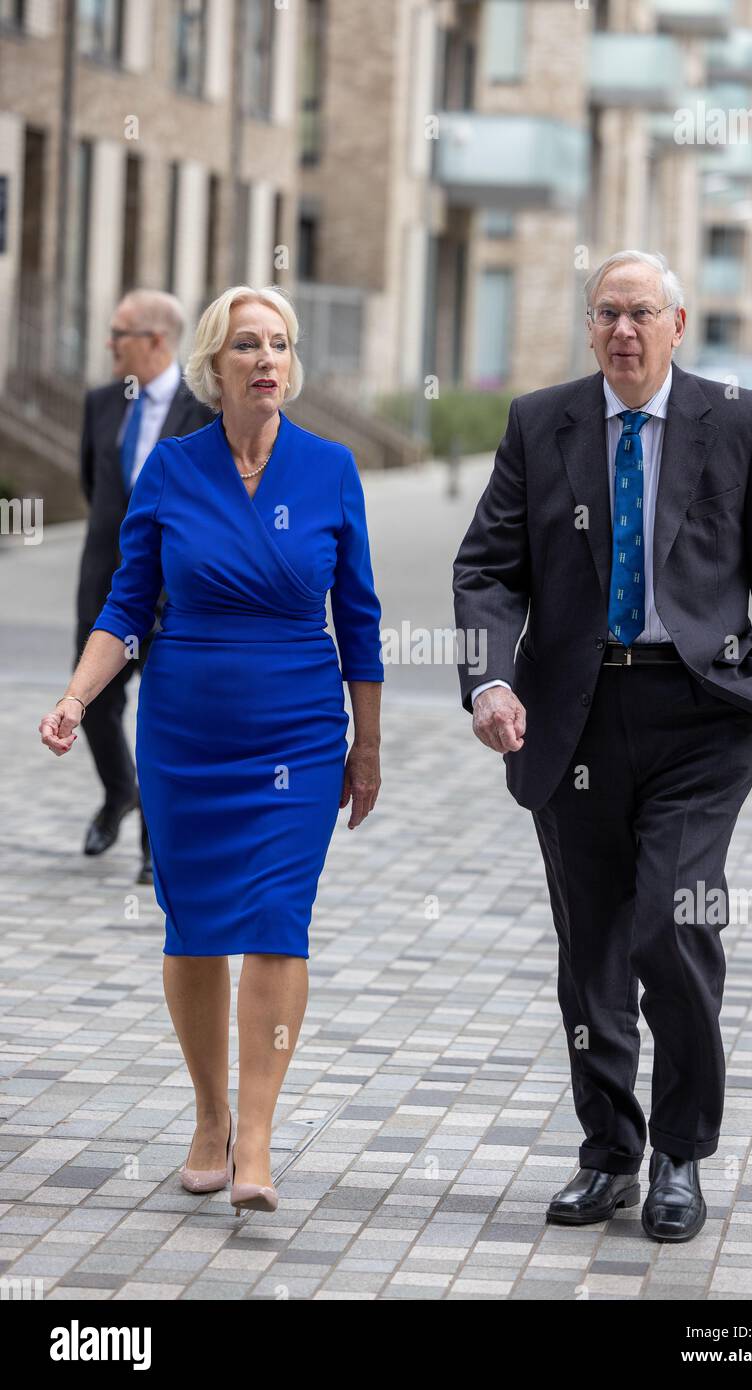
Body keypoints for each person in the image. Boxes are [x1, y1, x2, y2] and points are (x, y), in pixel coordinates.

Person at [453, 249, 752, 1243]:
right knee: (591, 955)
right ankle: (608, 1153)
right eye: (607, 312)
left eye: (641, 313)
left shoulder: (736, 422)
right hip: (568, 716)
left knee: (670, 922)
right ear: (589, 327)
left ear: (676, 323)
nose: (623, 329)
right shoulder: (541, 423)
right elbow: (487, 568)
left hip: (698, 718)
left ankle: (679, 1152)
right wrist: (489, 680)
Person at [39, 284, 384, 1217]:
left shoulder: (331, 469)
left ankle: (259, 1141)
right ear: (212, 364)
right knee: (193, 930)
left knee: (278, 920)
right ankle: (208, 1119)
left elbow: (359, 619)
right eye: (247, 345)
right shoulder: (172, 470)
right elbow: (124, 605)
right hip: (186, 732)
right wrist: (77, 697)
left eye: (279, 343)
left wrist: (368, 749)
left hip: (300, 735)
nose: (267, 359)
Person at [76, 289, 214, 883]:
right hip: (105, 586)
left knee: (164, 718)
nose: (109, 343)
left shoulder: (202, 410)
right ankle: (119, 793)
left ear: (157, 341)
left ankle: (155, 845)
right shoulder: (101, 403)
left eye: (119, 332)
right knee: (93, 704)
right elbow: (95, 485)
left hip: (175, 595)